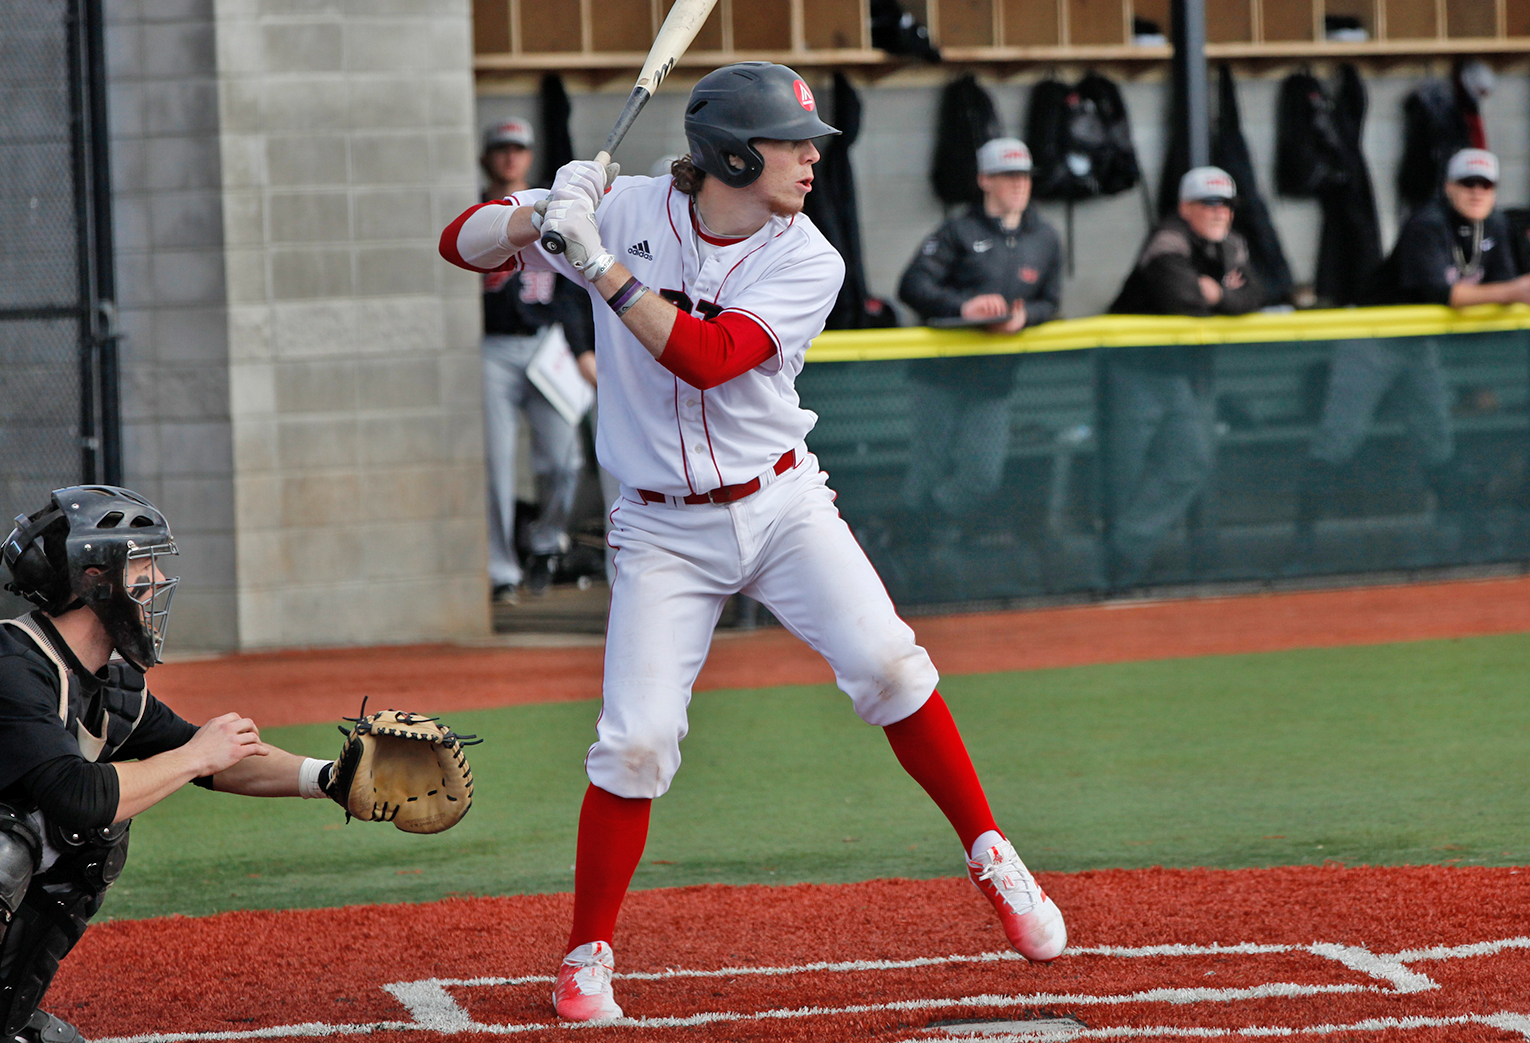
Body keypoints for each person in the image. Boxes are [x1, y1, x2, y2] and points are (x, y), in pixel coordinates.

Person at [437, 61, 1066, 1024]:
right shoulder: (629, 204)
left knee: (893, 668)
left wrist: (598, 262)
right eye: (791, 143)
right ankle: (586, 953)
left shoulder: (810, 256)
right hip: (657, 527)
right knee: (636, 742)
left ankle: (993, 854)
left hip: (782, 506)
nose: (812, 160)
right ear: (733, 151)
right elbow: (458, 241)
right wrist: (544, 211)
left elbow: (706, 355)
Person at [0, 487, 342, 1043]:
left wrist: (329, 778)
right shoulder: (15, 666)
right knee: (13, 846)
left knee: (91, 839)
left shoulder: (109, 686)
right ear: (97, 578)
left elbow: (215, 760)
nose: (157, 580)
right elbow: (76, 794)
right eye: (143, 563)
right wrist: (192, 756)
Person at [1297, 149, 1530, 544]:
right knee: (1341, 436)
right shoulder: (1427, 222)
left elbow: (1502, 281)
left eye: (1485, 184)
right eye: (1467, 183)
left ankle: (1468, 532)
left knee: (1436, 437)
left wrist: (1529, 289)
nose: (1476, 192)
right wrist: (1516, 289)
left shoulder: (1496, 224)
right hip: (1374, 335)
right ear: (1449, 187)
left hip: (1418, 342)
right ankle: (1303, 539)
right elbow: (1443, 293)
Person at [1103, 167, 1264, 585]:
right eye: (1207, 204)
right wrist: (1217, 294)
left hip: (1181, 374)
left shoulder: (1230, 244)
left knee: (1190, 460)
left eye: (1225, 204)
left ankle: (1127, 552)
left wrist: (1220, 294)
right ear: (1185, 208)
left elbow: (1258, 293)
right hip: (1131, 369)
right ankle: (1110, 566)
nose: (1218, 212)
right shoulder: (1169, 239)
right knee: (1125, 470)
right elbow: (1182, 298)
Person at [896, 138, 1062, 531]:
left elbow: (1051, 302)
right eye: (1008, 176)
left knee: (981, 476)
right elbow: (913, 286)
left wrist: (1023, 318)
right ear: (985, 180)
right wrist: (963, 307)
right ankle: (908, 548)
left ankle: (921, 530)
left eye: (1024, 176)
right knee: (927, 468)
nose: (1019, 185)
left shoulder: (1045, 236)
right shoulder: (958, 230)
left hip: (994, 379)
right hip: (939, 376)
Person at [477, 117, 598, 604]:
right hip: (493, 348)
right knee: (495, 465)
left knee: (564, 461)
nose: (510, 156)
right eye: (502, 148)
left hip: (548, 344)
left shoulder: (545, 204)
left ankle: (546, 545)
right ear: (488, 155)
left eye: (518, 148)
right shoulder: (477, 212)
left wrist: (580, 347)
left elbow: (572, 287)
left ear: (528, 155)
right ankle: (502, 569)